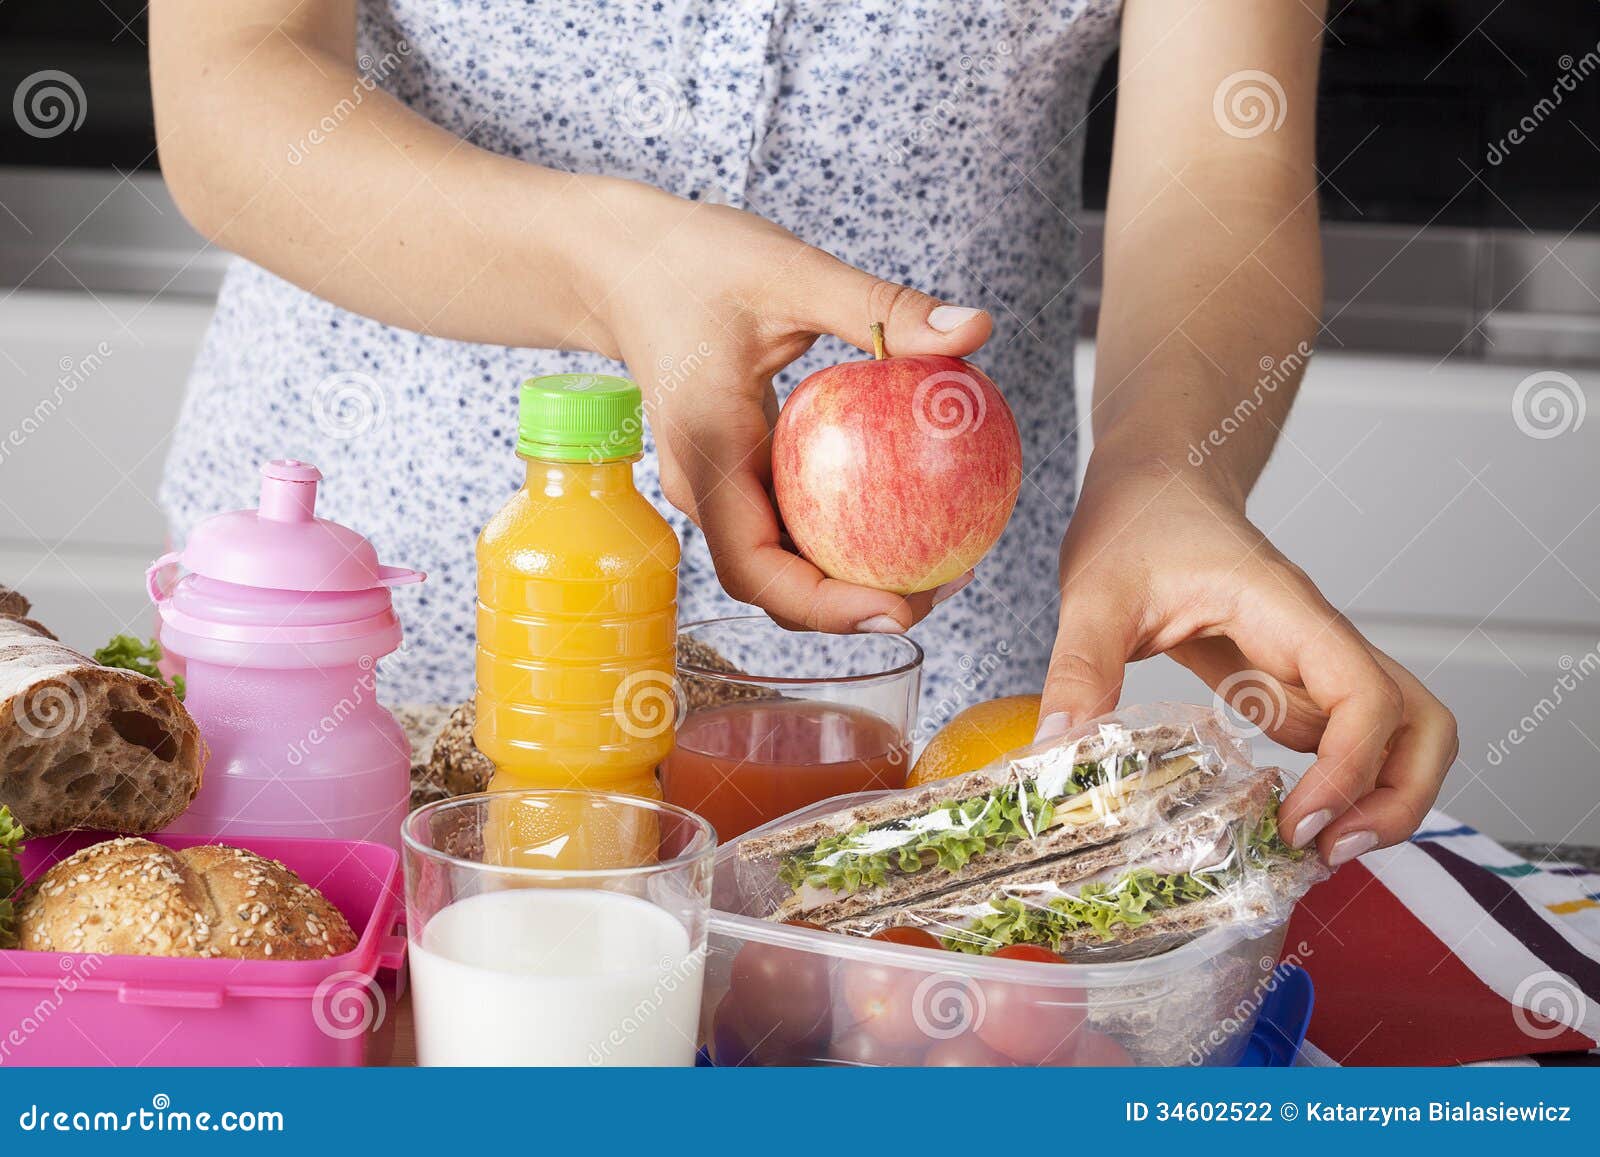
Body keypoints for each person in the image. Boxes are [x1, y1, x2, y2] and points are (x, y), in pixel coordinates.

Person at [150, 0, 1456, 866]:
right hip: (352, 678)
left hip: (906, 700)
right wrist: (614, 273)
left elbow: (1220, 166)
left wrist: (1173, 462)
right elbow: (227, 81)